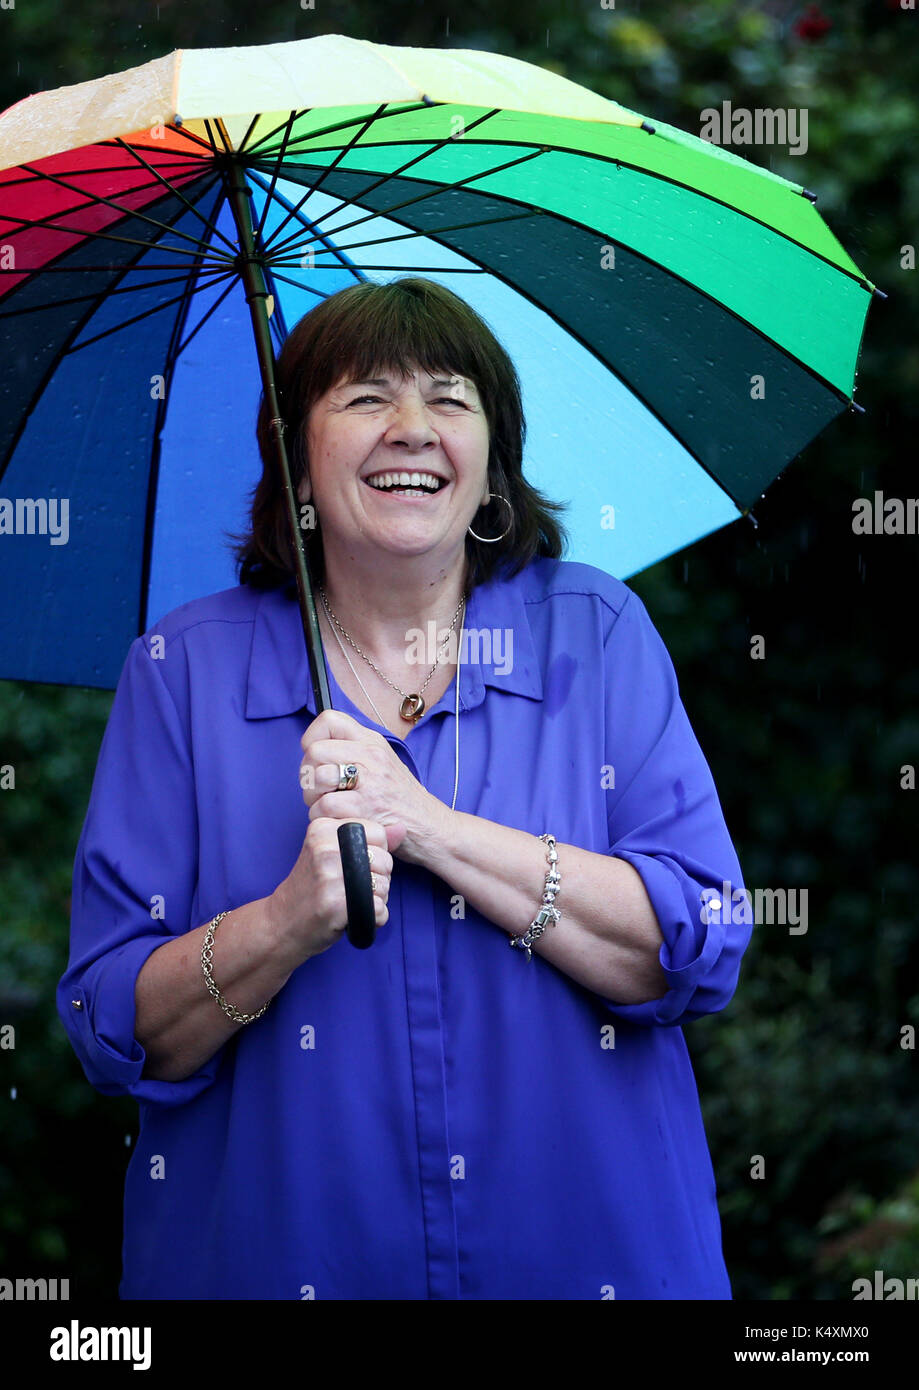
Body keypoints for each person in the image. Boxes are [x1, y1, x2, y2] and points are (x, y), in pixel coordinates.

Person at [57, 276, 751, 1301]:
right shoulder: (183, 670)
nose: (413, 429)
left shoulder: (595, 634)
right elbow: (116, 1026)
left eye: (449, 399)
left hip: (589, 1263)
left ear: (492, 463)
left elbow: (694, 942)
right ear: (296, 458)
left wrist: (424, 825)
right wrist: (282, 925)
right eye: (366, 397)